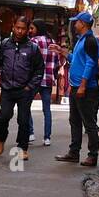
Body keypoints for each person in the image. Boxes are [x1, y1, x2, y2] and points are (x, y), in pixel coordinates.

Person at [0, 16, 43, 161]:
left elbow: (39, 70)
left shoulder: (33, 48)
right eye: (17, 28)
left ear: (27, 30)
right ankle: (1, 139)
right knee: (3, 116)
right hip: (7, 89)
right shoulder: (5, 44)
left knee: (23, 120)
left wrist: (30, 87)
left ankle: (23, 148)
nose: (20, 31)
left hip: (24, 90)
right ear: (13, 27)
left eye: (23, 28)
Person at [56, 12, 99, 167]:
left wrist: (83, 85)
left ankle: (92, 155)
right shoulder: (81, 41)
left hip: (86, 89)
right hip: (76, 87)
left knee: (89, 123)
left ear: (82, 23)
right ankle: (74, 152)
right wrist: (62, 52)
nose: (74, 25)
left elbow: (90, 64)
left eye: (76, 22)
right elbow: (76, 59)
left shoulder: (90, 41)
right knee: (74, 120)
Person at [29, 19, 61, 147]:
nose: (30, 31)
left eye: (32, 28)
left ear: (38, 28)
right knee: (47, 110)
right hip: (47, 80)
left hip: (34, 79)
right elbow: (57, 63)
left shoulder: (34, 42)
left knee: (26, 106)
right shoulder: (52, 42)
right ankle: (47, 137)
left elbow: (28, 61)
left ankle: (30, 133)